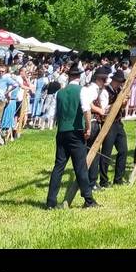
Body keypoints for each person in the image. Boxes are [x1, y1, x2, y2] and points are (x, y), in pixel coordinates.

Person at [45, 63, 97, 209]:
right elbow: (86, 111)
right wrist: (88, 128)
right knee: (80, 167)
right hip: (76, 131)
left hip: (62, 131)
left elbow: (53, 114)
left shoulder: (59, 93)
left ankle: (51, 201)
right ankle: (88, 200)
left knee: (58, 167)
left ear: (69, 77)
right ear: (79, 77)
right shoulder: (82, 91)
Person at [99, 70, 128, 186]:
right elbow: (104, 109)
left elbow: (122, 107)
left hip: (118, 123)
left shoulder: (119, 91)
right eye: (120, 82)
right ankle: (103, 180)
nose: (121, 84)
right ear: (115, 81)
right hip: (108, 124)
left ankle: (118, 178)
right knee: (106, 153)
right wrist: (118, 102)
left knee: (123, 150)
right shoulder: (105, 92)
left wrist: (124, 102)